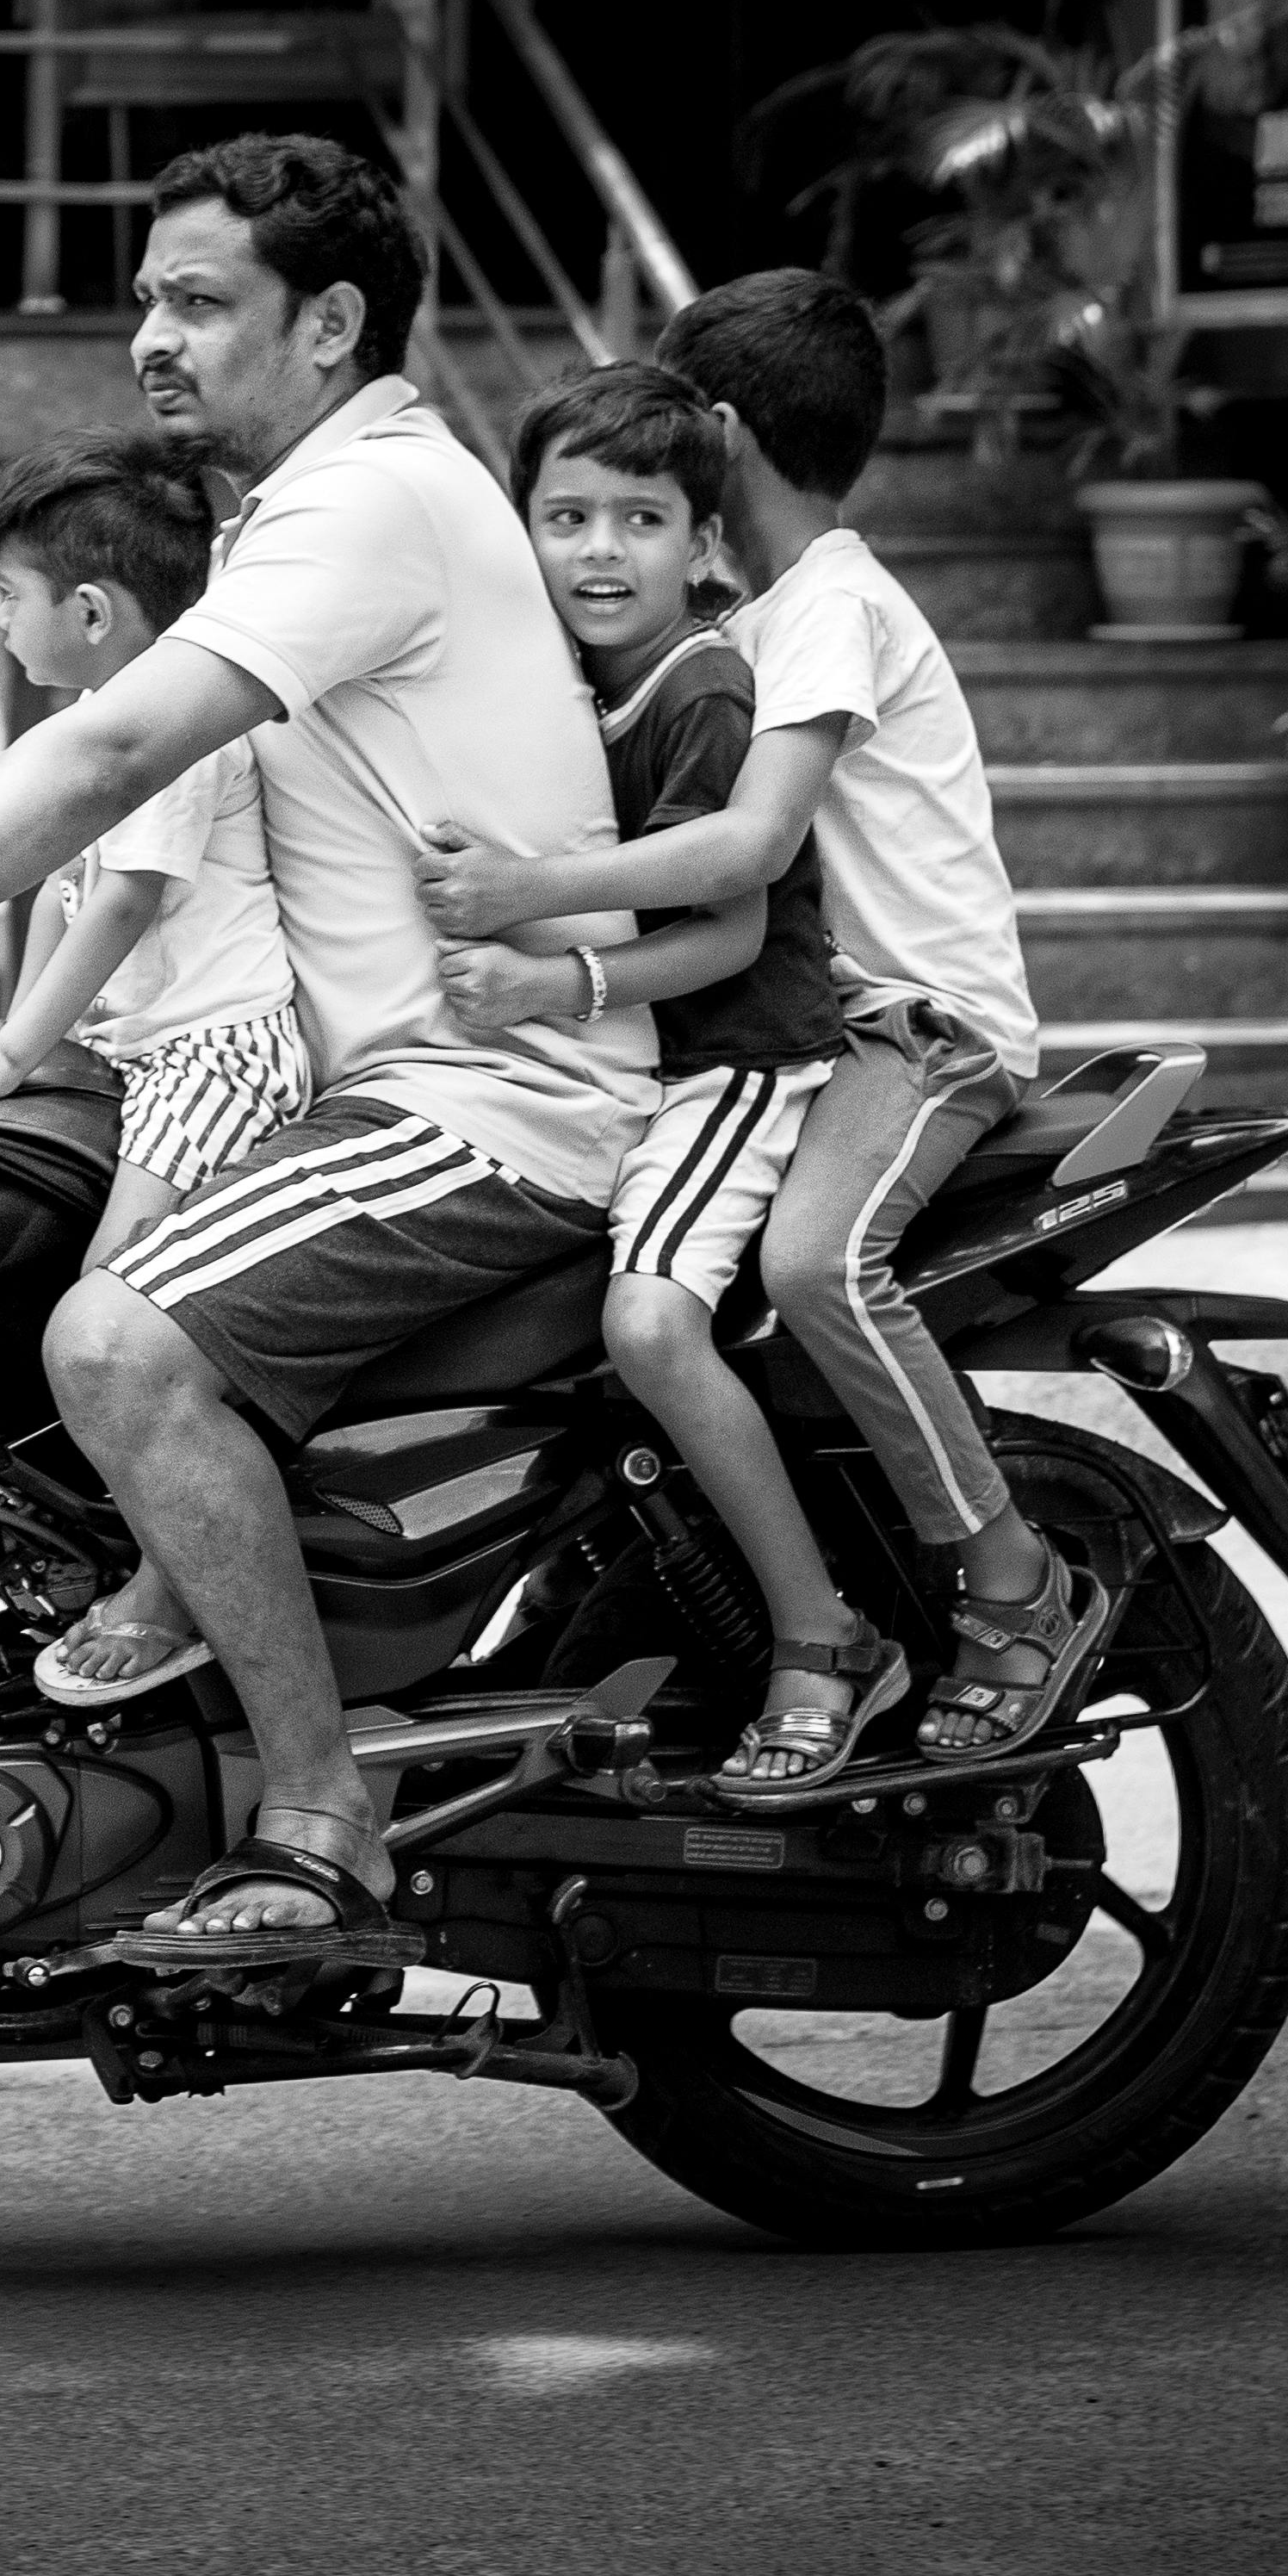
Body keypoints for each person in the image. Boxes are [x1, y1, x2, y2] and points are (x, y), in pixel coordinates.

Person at [0, 131, 654, 1964]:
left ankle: (318, 1820)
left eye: (199, 303)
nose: (151, 341)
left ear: (330, 321)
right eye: (144, 302)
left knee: (110, 1340)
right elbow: (29, 776)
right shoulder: (296, 519)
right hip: (392, 1081)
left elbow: (102, 766)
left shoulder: (373, 505)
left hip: (491, 1100)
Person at [418, 269, 1114, 1762]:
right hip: (820, 1024)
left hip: (922, 1032)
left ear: (718, 433)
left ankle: (1013, 1579)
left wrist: (526, 895)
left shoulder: (828, 613)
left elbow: (747, 849)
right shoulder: (758, 613)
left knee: (817, 1266)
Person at [423, 363, 894, 1783]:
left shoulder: (700, 686)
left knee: (645, 1327)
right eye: (565, 516)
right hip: (635, 1068)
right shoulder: (570, 686)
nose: (598, 551)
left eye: (639, 520)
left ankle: (823, 1637)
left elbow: (733, 924)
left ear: (703, 547)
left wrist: (542, 969)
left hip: (734, 1060)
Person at [0, 427, 312, 1290]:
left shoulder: (170, 730)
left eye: (10, 593)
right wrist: (25, 1040)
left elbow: (127, 899)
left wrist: (11, 1058)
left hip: (211, 1056)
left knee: (108, 1288)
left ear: (89, 611)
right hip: (134, 1044)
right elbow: (62, 888)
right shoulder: (99, 716)